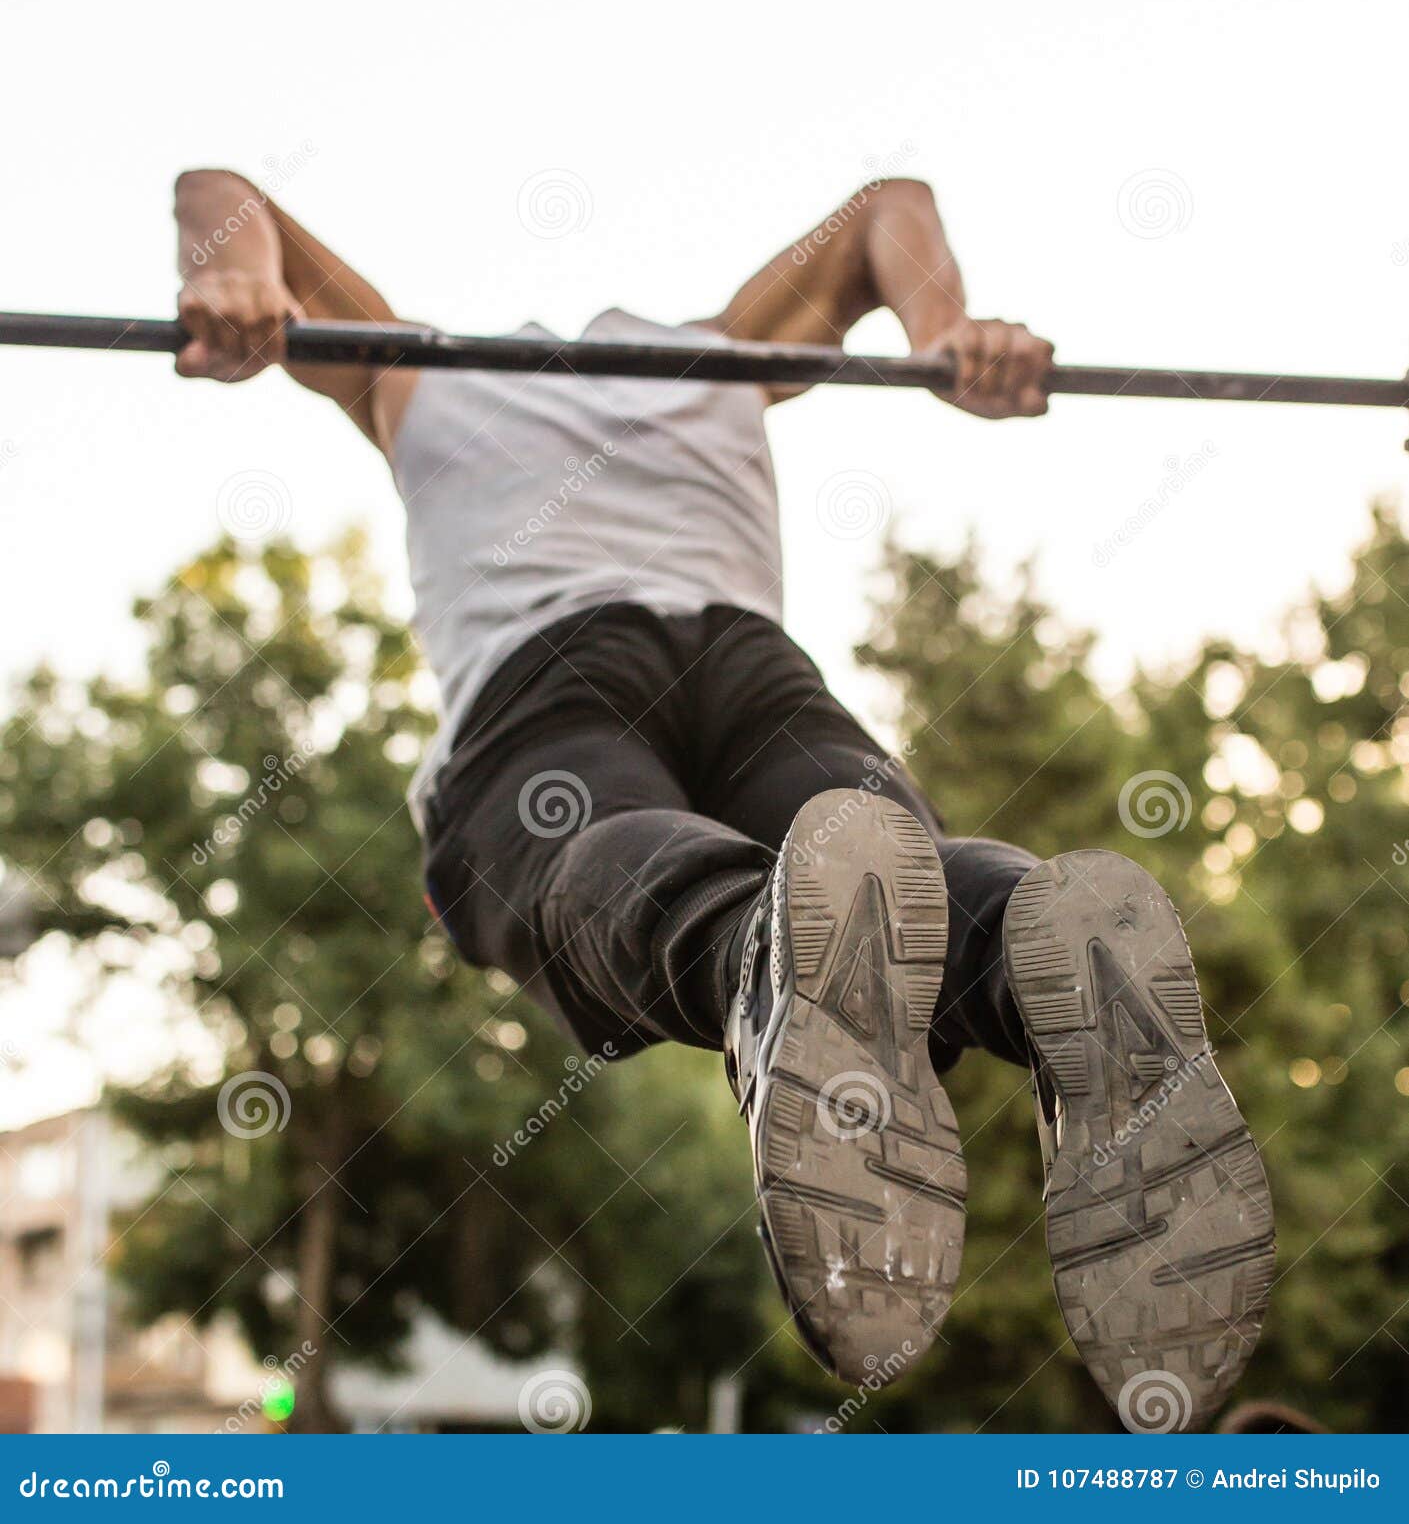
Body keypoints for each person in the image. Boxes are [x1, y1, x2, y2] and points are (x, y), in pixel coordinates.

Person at [170, 170, 1274, 1425]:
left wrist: (236, 278)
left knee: (587, 853)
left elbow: (218, 190)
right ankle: (1037, 943)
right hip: (754, 676)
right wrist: (942, 328)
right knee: (899, 883)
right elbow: (885, 210)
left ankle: (756, 952)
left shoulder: (416, 368)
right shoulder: (718, 358)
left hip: (551, 672)